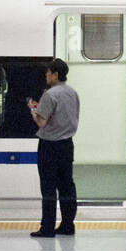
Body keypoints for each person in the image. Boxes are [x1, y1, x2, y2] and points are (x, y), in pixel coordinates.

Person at [27, 58, 79, 237]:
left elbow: (41, 122)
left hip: (49, 147)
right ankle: (68, 225)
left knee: (48, 188)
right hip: (67, 145)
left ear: (56, 74)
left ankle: (47, 227)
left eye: (48, 73)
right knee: (66, 186)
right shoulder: (72, 93)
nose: (46, 76)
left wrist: (34, 110)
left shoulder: (49, 95)